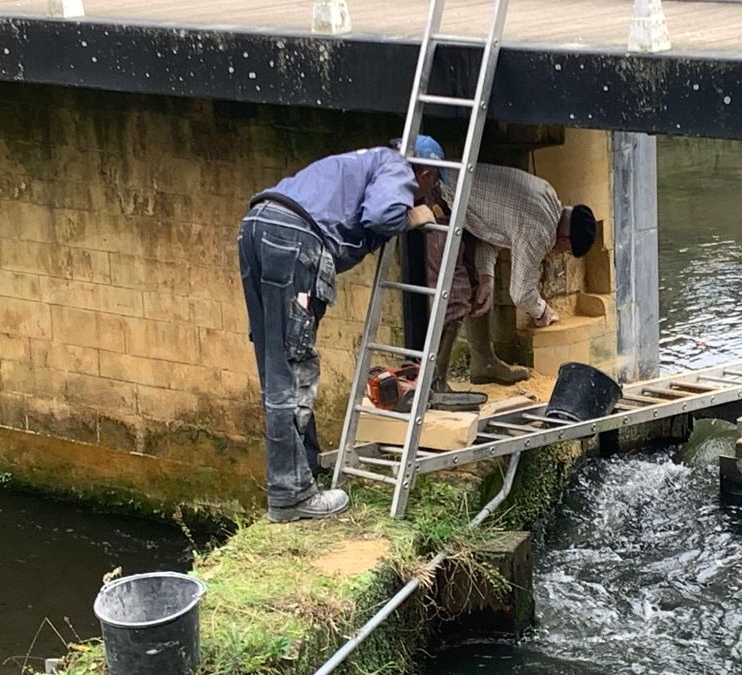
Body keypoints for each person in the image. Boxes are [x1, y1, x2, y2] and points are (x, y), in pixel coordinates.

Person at [237, 136, 444, 523]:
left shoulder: (357, 161)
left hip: (256, 225)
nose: (428, 193)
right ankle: (291, 496)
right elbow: (382, 216)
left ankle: (304, 469)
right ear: (426, 173)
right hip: (294, 238)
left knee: (275, 361)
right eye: (432, 186)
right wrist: (415, 216)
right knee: (293, 367)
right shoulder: (396, 166)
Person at [426, 163, 598, 392]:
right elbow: (521, 293)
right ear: (565, 241)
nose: (558, 253)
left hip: (459, 200)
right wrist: (542, 311)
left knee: (476, 285)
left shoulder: (547, 196)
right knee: (456, 294)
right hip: (437, 197)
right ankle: (433, 384)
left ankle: (483, 364)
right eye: (564, 251)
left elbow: (490, 230)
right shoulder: (541, 229)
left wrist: (487, 277)